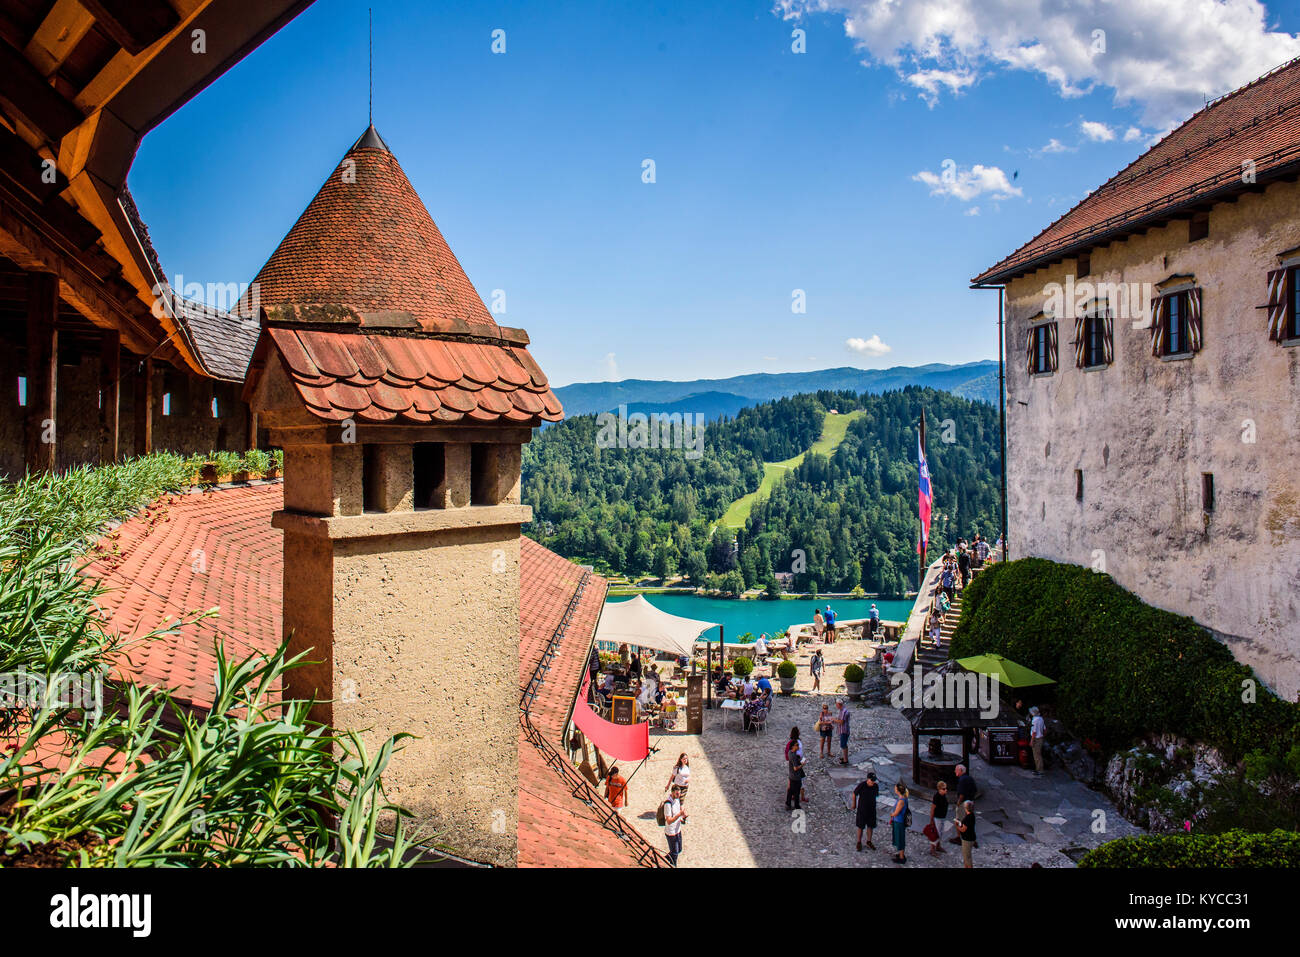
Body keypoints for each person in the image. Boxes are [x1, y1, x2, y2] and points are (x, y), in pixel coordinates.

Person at [949, 764, 977, 845]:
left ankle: (959, 838)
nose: (955, 771)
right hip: (970, 802)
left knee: (958, 820)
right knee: (969, 821)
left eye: (956, 770)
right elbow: (975, 790)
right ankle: (973, 840)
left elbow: (961, 794)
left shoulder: (962, 780)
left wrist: (958, 804)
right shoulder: (970, 778)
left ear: (961, 771)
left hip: (963, 803)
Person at [852, 771, 879, 851]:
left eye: (874, 780)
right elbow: (854, 794)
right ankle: (859, 842)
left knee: (870, 826)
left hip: (871, 810)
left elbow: (876, 795)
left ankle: (869, 841)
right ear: (868, 779)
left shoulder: (875, 786)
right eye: (872, 780)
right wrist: (854, 804)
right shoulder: (862, 785)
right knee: (860, 826)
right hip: (862, 810)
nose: (873, 782)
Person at [663, 786, 687, 865]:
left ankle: (664, 859)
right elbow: (669, 821)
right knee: (675, 853)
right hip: (671, 832)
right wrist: (679, 815)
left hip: (677, 830)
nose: (678, 795)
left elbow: (677, 814)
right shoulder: (668, 804)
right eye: (677, 793)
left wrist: (682, 817)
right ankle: (673, 865)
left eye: (679, 793)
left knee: (679, 849)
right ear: (672, 792)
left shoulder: (677, 800)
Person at [785, 728, 805, 811]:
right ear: (793, 746)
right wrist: (802, 764)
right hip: (795, 776)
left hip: (791, 775)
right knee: (796, 792)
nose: (798, 746)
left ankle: (788, 804)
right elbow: (795, 768)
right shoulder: (793, 756)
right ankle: (796, 806)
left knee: (790, 791)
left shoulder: (790, 753)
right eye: (797, 745)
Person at [889, 782, 910, 864]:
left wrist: (891, 814)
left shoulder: (901, 801)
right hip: (899, 821)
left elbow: (896, 813)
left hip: (899, 822)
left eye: (895, 788)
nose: (894, 789)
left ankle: (901, 857)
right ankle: (901, 854)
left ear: (898, 790)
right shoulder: (903, 797)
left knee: (900, 839)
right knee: (900, 838)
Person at [928, 780, 949, 855]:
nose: (945, 790)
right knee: (936, 833)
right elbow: (933, 808)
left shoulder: (943, 796)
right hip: (937, 817)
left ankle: (938, 846)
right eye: (943, 789)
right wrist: (931, 819)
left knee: (940, 832)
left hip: (942, 816)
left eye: (946, 788)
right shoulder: (937, 797)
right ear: (939, 789)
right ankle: (932, 849)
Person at [955, 800, 976, 868]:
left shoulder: (968, 818)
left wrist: (957, 826)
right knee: (966, 856)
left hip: (967, 839)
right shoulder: (972, 815)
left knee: (967, 858)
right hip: (971, 837)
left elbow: (963, 830)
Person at [1029, 705, 1046, 775]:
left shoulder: (1034, 720)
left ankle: (1040, 770)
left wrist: (1031, 741)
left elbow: (1034, 732)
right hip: (1040, 738)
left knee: (1037, 755)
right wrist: (1042, 735)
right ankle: (1038, 769)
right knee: (1038, 754)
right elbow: (1045, 729)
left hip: (1036, 739)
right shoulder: (1041, 719)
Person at [834, 699, 851, 765]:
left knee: (843, 745)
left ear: (839, 704)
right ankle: (845, 757)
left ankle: (845, 759)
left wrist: (834, 720)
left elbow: (841, 722)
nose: (836, 705)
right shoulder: (842, 711)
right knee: (844, 744)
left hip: (844, 730)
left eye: (836, 704)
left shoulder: (844, 712)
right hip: (843, 730)